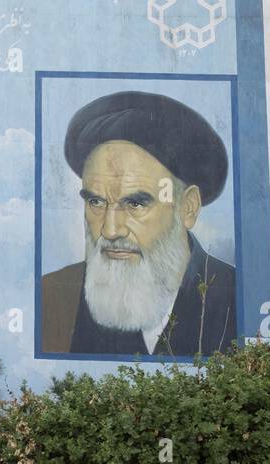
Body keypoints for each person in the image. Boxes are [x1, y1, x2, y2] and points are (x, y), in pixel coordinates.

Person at [40, 90, 236, 357]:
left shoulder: (236, 298)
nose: (110, 230)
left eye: (135, 204)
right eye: (96, 202)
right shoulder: (54, 296)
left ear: (188, 207)